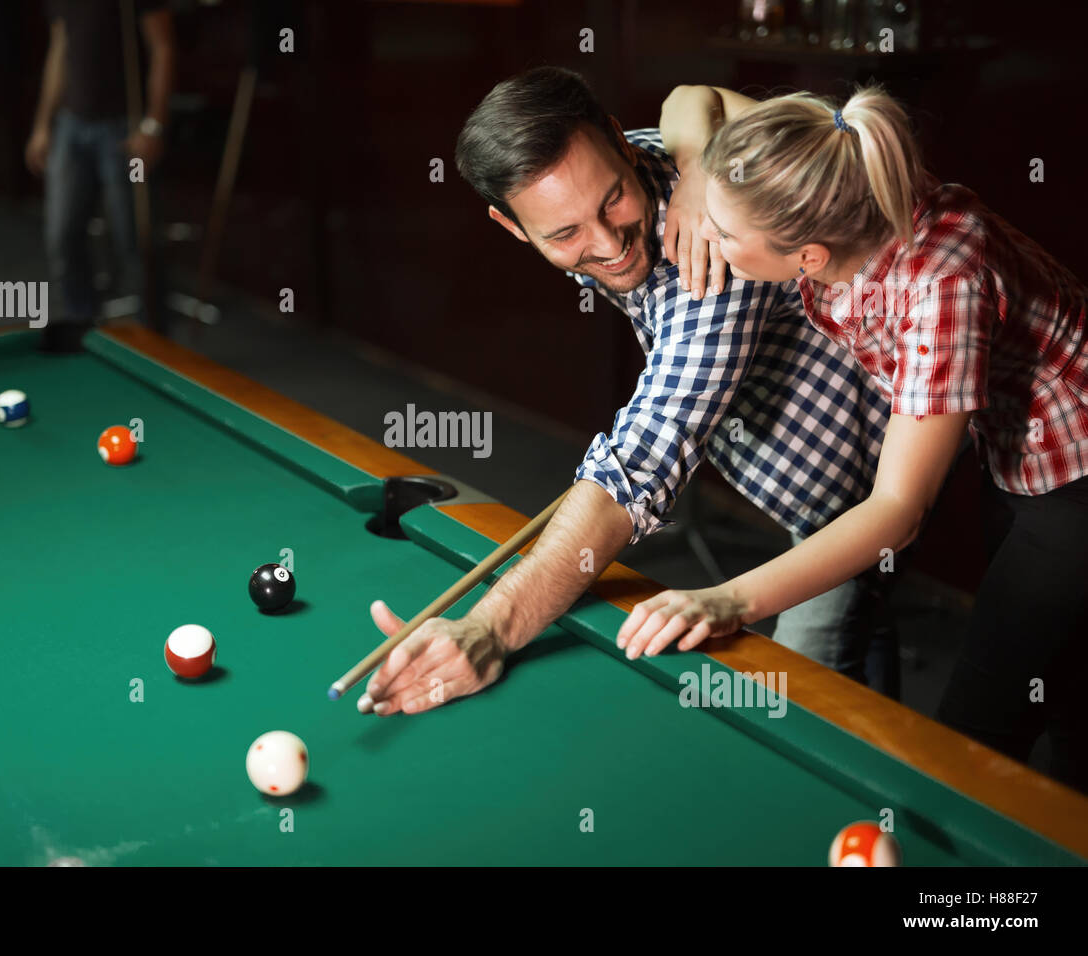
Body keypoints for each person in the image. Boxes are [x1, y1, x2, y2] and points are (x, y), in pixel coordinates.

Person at [357, 66, 899, 717]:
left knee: (806, 704)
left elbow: (642, 460)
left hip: (851, 494)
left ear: (620, 141)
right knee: (870, 637)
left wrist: (489, 628)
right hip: (801, 454)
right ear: (512, 227)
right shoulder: (614, 175)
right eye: (563, 235)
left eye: (612, 200)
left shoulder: (712, 254)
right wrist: (692, 155)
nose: (609, 243)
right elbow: (684, 101)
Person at [637, 84, 1088, 791]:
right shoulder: (840, 169)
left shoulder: (941, 285)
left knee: (973, 744)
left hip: (1074, 480)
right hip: (1018, 458)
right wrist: (698, 172)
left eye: (723, 236)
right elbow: (691, 98)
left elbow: (897, 513)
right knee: (1062, 678)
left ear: (808, 259)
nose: (707, 239)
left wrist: (728, 600)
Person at [25, 0, 174, 351]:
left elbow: (163, 46)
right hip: (71, 126)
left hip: (122, 129)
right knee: (62, 236)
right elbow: (60, 48)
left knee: (135, 242)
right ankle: (84, 332)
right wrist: (43, 124)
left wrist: (154, 125)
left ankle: (156, 345)